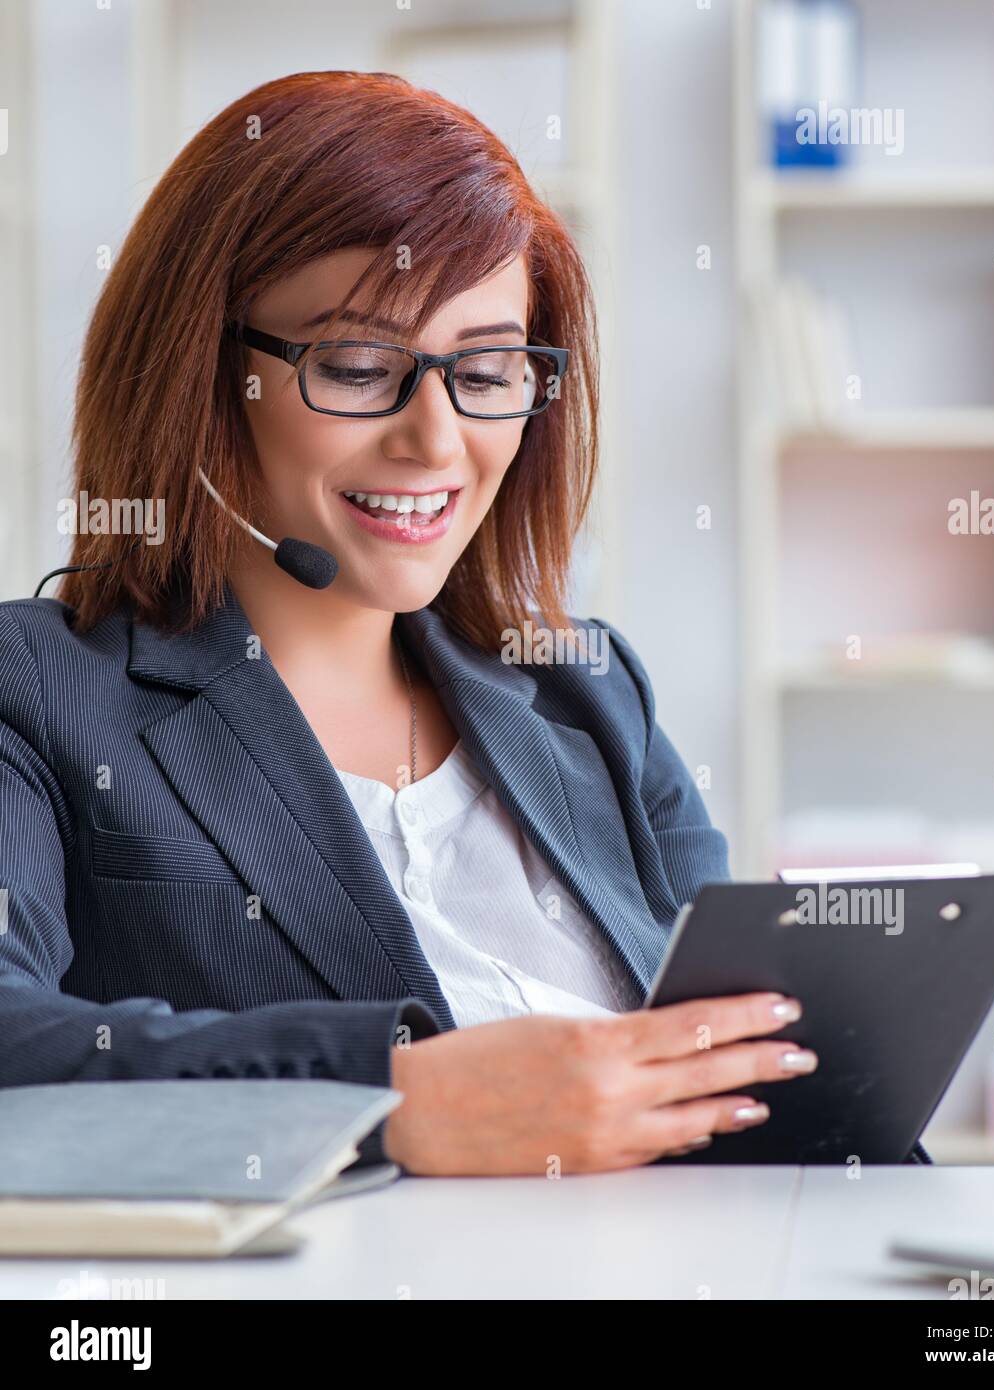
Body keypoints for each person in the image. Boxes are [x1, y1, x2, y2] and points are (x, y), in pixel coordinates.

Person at [0, 71, 818, 1176]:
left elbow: (739, 1049)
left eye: (485, 372)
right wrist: (385, 1101)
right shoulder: (40, 689)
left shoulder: (584, 687)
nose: (436, 441)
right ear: (198, 374)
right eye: (356, 367)